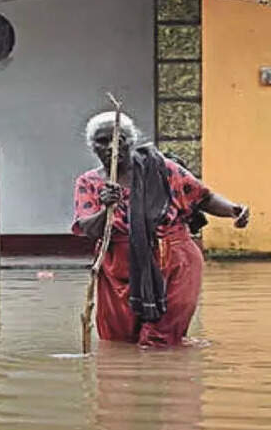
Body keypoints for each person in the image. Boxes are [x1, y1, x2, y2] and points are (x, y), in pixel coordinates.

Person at [71, 111, 250, 347]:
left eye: (119, 140)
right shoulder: (89, 183)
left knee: (161, 340)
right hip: (118, 266)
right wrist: (107, 208)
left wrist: (233, 210)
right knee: (118, 342)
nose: (111, 148)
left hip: (173, 259)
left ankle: (163, 377)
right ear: (92, 147)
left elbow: (201, 196)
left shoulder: (161, 169)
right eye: (102, 142)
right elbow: (88, 227)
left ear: (131, 141)